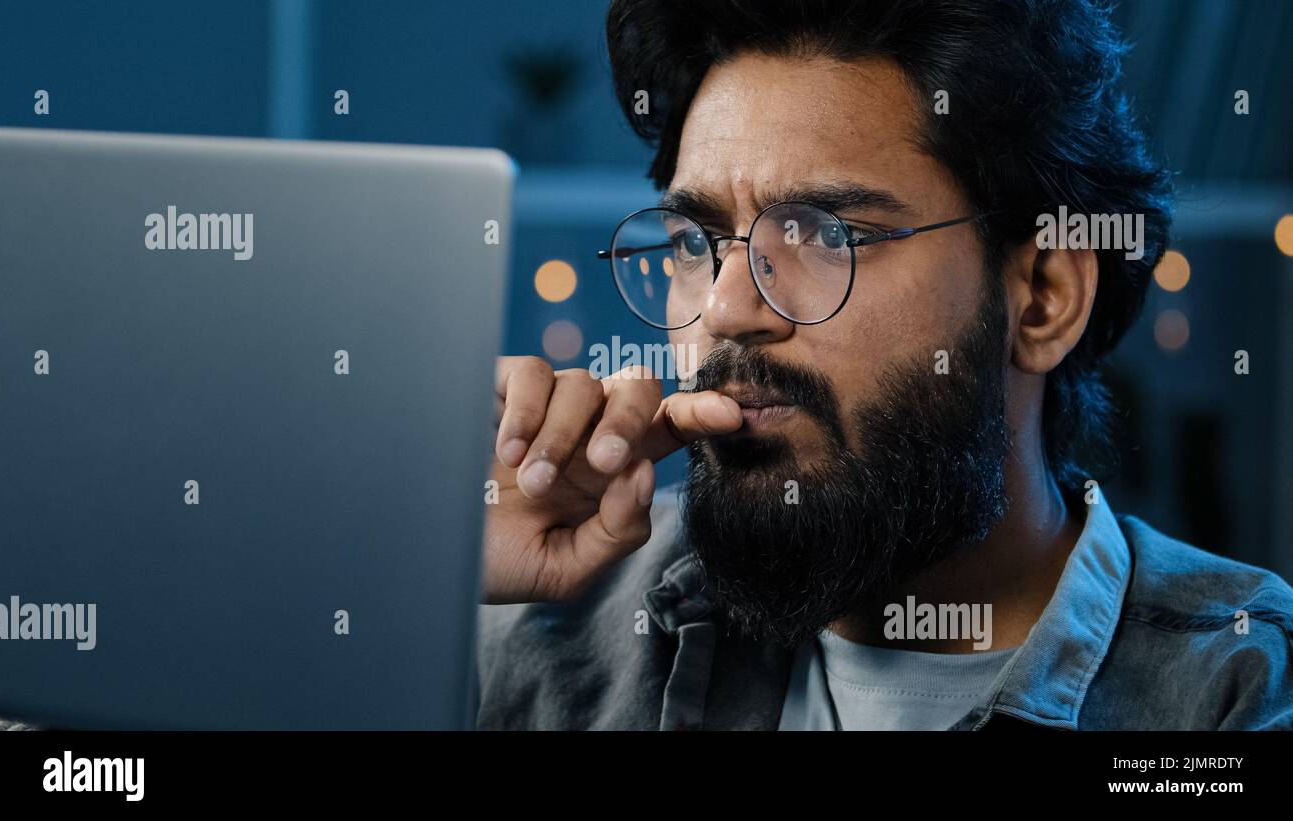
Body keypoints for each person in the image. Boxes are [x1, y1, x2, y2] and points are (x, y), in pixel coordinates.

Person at [476, 0, 1293, 730]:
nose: (725, 310)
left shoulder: (1239, 687)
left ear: (1044, 296)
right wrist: (430, 579)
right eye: (697, 243)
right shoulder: (550, 630)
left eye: (827, 234)